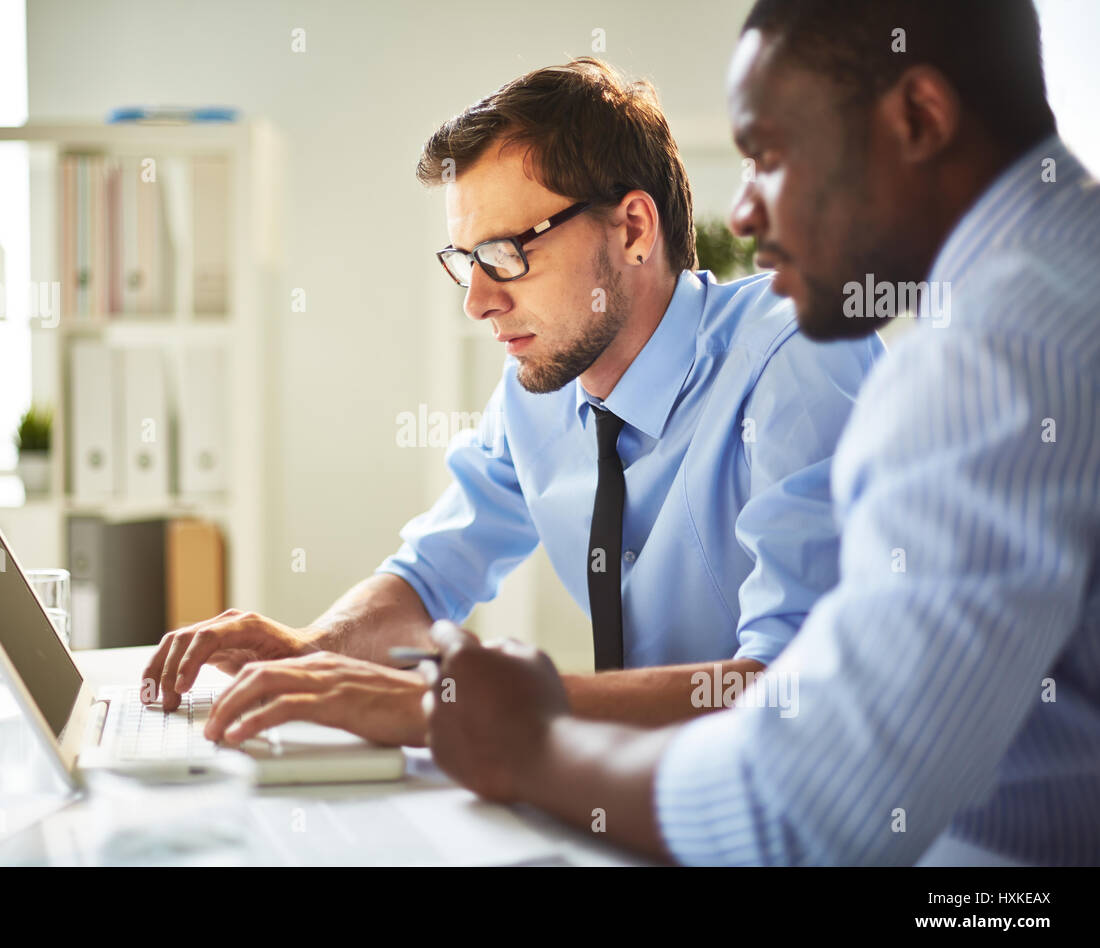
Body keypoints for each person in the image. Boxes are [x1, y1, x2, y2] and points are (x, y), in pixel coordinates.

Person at [424, 0, 1100, 865]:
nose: (740, 216)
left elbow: (810, 810)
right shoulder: (1056, 284)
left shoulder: (992, 357)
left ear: (920, 119)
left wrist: (529, 741)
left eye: (769, 158)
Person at [141, 59, 881, 746]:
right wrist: (310, 648)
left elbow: (791, 689)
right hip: (641, 804)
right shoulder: (542, 392)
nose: (478, 302)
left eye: (505, 256)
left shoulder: (800, 354)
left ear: (632, 230)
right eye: (466, 262)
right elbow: (430, 576)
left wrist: (444, 711)